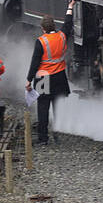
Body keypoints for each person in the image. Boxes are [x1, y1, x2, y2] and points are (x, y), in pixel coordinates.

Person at [26, 14, 70, 144]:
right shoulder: (62, 36)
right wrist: (70, 8)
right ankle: (57, 135)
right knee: (58, 107)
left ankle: (43, 138)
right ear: (54, 26)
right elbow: (68, 24)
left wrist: (29, 80)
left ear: (42, 28)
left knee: (43, 108)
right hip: (60, 77)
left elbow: (35, 62)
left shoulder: (41, 41)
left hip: (43, 78)